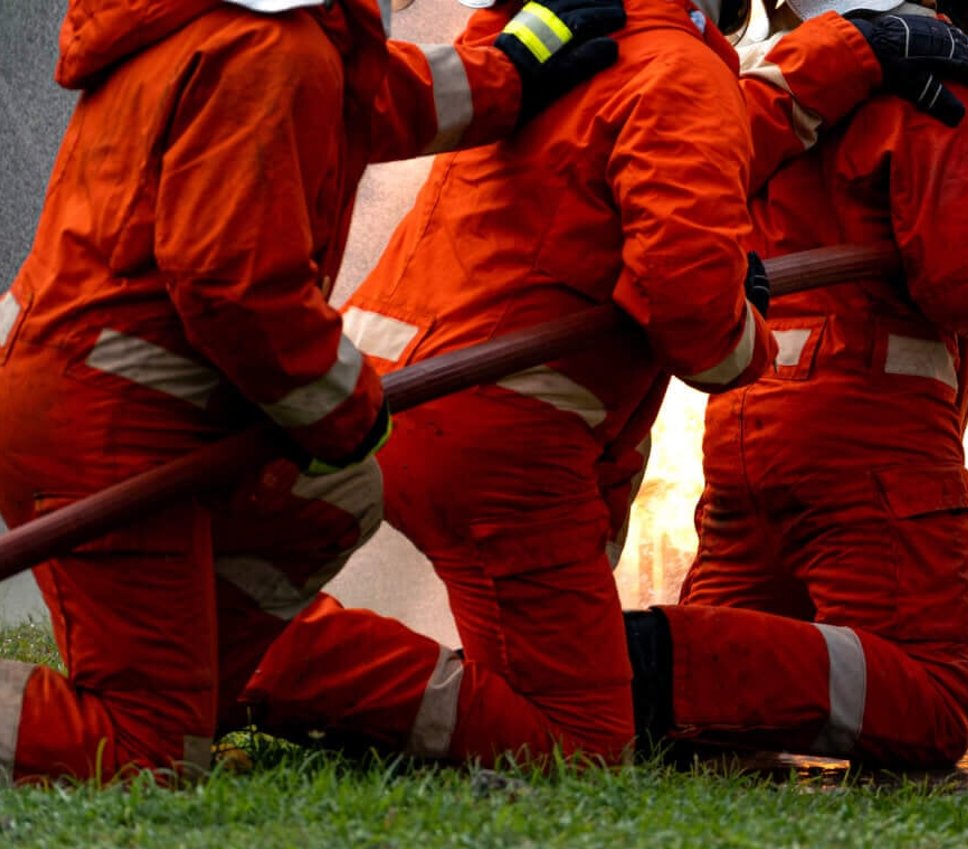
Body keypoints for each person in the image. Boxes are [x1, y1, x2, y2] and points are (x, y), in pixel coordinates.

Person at [238, 0, 968, 765]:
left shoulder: (563, 34)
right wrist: (747, 334)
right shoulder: (683, 68)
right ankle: (244, 658)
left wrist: (843, 54)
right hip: (501, 440)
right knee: (578, 744)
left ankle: (223, 638)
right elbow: (695, 317)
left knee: (535, 693)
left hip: (392, 398)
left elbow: (703, 120)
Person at [0, 0, 626, 783]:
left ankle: (210, 683)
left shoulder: (249, 30)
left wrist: (509, 70)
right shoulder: (269, 51)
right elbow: (235, 286)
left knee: (334, 490)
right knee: (146, 754)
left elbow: (368, 98)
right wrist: (346, 406)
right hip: (113, 421)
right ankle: (167, 717)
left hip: (109, 393)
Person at [630, 0, 968, 770]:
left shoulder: (759, 87)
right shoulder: (932, 80)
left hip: (747, 418)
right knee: (932, 695)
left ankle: (623, 671)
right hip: (869, 436)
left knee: (715, 703)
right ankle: (621, 661)